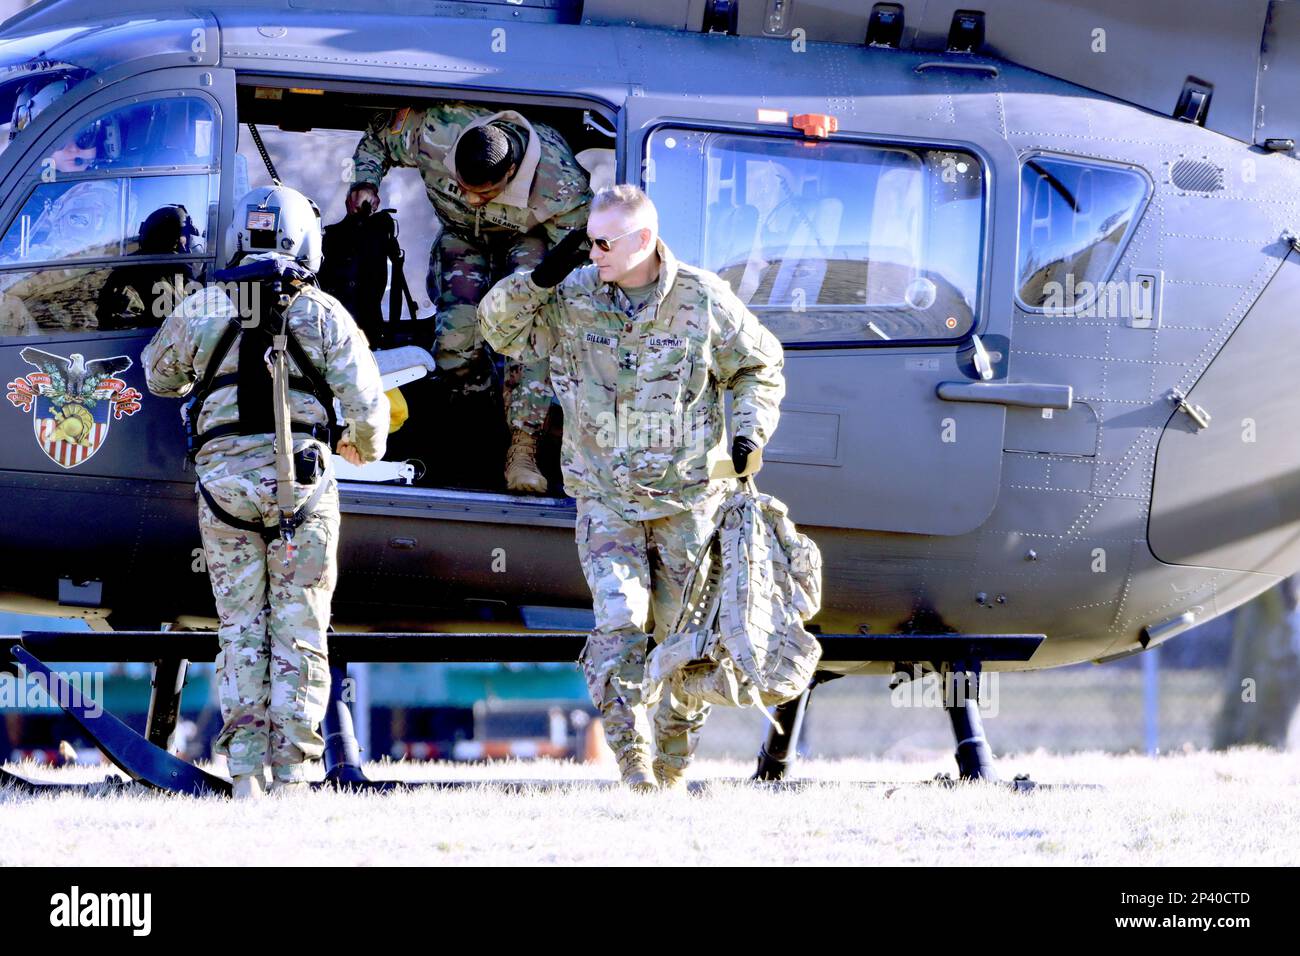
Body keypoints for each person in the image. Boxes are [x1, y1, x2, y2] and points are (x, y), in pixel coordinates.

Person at [479, 184, 785, 790]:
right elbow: (497, 330)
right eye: (587, 241)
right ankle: (634, 766)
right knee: (619, 626)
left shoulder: (701, 298)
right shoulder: (572, 295)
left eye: (604, 242)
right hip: (605, 497)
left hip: (687, 500)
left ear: (643, 240)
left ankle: (672, 764)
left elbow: (759, 366)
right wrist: (540, 278)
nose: (593, 252)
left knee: (683, 642)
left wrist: (749, 436)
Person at [142, 185, 388, 799]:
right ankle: (294, 776)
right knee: (301, 629)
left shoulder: (203, 305)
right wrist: (358, 445)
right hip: (300, 490)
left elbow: (159, 376)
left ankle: (246, 772)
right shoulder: (326, 314)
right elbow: (368, 416)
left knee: (240, 627)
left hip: (223, 490)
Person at [348, 101, 592, 492]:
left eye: (483, 193)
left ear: (511, 172)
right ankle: (475, 426)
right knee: (454, 344)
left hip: (529, 242)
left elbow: (579, 256)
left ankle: (523, 446)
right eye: (461, 188)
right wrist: (365, 182)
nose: (472, 199)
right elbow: (379, 137)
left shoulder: (558, 182)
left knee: (530, 336)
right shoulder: (437, 130)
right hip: (461, 236)